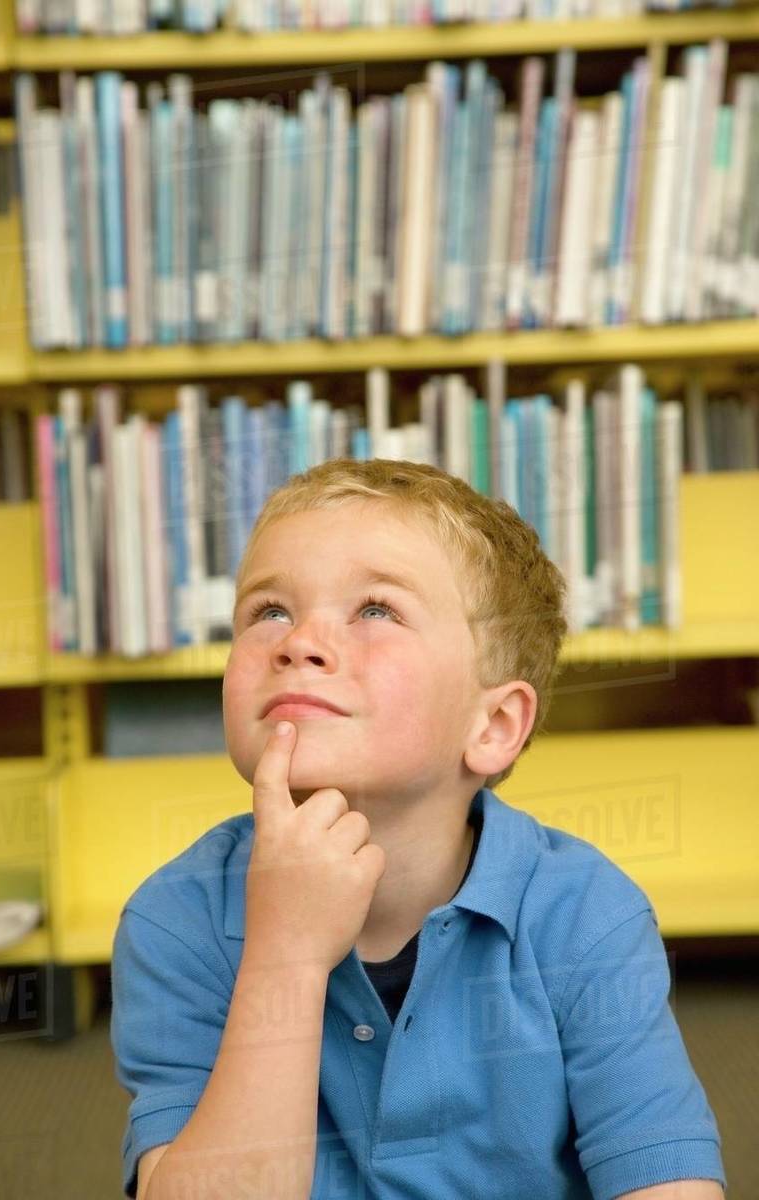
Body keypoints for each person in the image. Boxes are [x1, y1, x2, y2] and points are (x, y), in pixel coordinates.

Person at [110, 457, 727, 1200]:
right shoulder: (176, 920)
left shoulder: (588, 915)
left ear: (494, 725)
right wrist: (288, 958)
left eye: (375, 610)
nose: (297, 641)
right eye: (267, 610)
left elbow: (669, 1184)